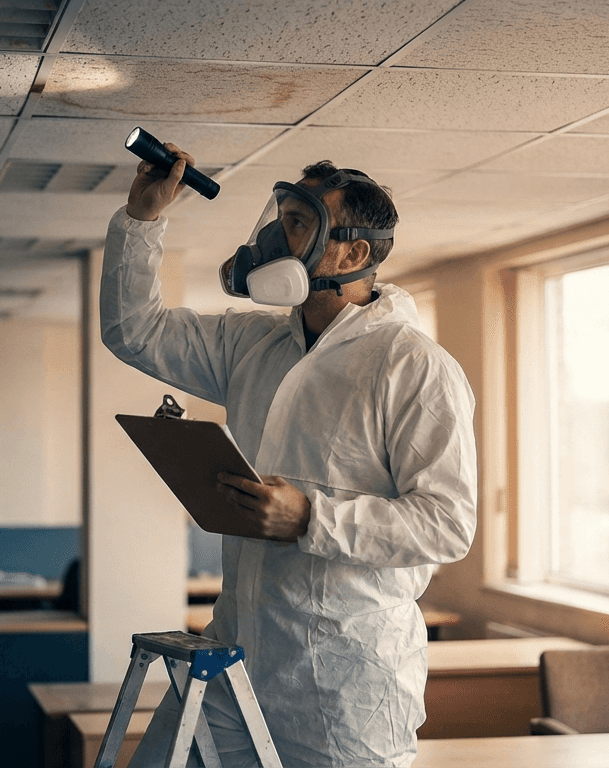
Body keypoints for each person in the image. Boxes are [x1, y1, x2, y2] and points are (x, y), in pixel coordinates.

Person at [101, 143, 478, 768]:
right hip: (233, 657)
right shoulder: (252, 344)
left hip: (342, 687)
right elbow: (134, 331)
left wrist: (311, 518)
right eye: (279, 216)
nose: (277, 235)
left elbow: (447, 522)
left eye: (299, 222)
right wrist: (143, 218)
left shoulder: (412, 366)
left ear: (354, 253)